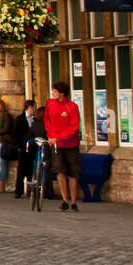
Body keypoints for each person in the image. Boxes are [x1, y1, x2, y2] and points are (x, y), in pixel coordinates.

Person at [45, 81, 82, 211]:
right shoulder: (50, 104)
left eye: (55, 91)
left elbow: (74, 127)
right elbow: (47, 121)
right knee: (59, 170)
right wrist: (50, 136)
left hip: (70, 144)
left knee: (73, 173)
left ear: (62, 93)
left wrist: (59, 137)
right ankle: (64, 200)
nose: (53, 93)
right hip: (56, 144)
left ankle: (73, 201)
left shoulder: (72, 107)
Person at [12, 100, 37, 198]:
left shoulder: (34, 119)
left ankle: (30, 190)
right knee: (21, 169)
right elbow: (15, 134)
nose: (35, 109)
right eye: (34, 107)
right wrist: (18, 146)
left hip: (32, 147)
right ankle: (18, 191)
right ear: (30, 108)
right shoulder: (19, 119)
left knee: (30, 169)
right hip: (22, 147)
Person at [0, 97, 14, 192]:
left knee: (2, 162)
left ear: (3, 106)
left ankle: (1, 184)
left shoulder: (6, 116)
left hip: (4, 141)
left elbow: (7, 129)